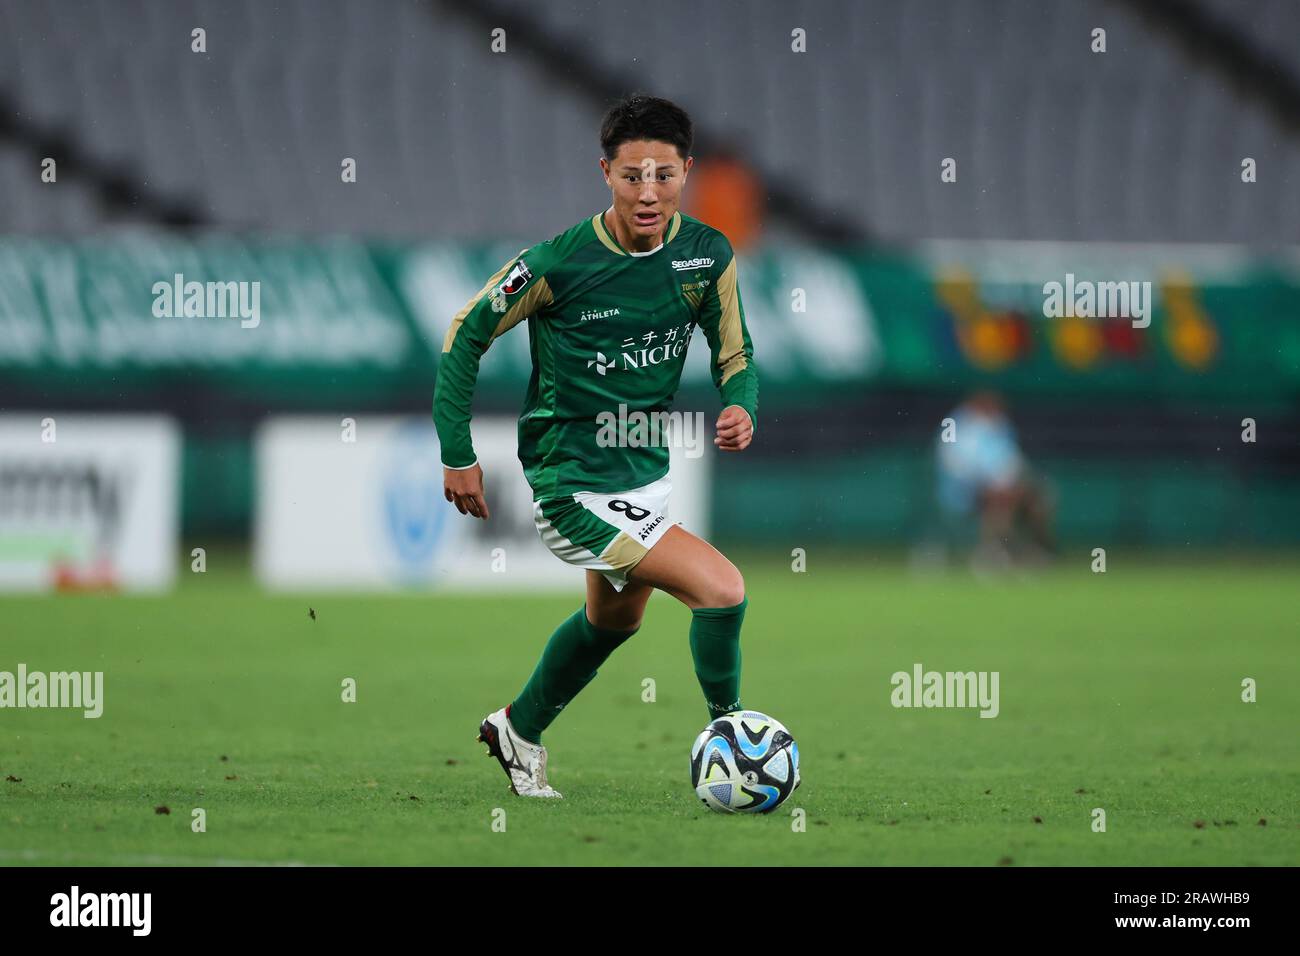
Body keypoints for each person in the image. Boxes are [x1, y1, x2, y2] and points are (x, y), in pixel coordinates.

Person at [432, 94, 759, 798]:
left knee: (613, 622)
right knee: (721, 591)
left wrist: (741, 403)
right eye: (631, 175)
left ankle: (516, 728)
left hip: (643, 475)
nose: (648, 193)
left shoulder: (707, 255)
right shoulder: (558, 263)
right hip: (571, 481)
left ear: (687, 173)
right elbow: (465, 336)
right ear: (604, 172)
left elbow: (735, 353)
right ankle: (732, 741)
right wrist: (457, 452)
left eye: (664, 176)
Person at [935, 391, 1056, 569]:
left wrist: (1009, 481)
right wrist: (987, 482)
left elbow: (1011, 461)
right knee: (1000, 499)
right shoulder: (956, 425)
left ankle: (1036, 550)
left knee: (1039, 497)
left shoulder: (1000, 427)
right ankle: (993, 552)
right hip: (964, 491)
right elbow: (954, 465)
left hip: (1002, 488)